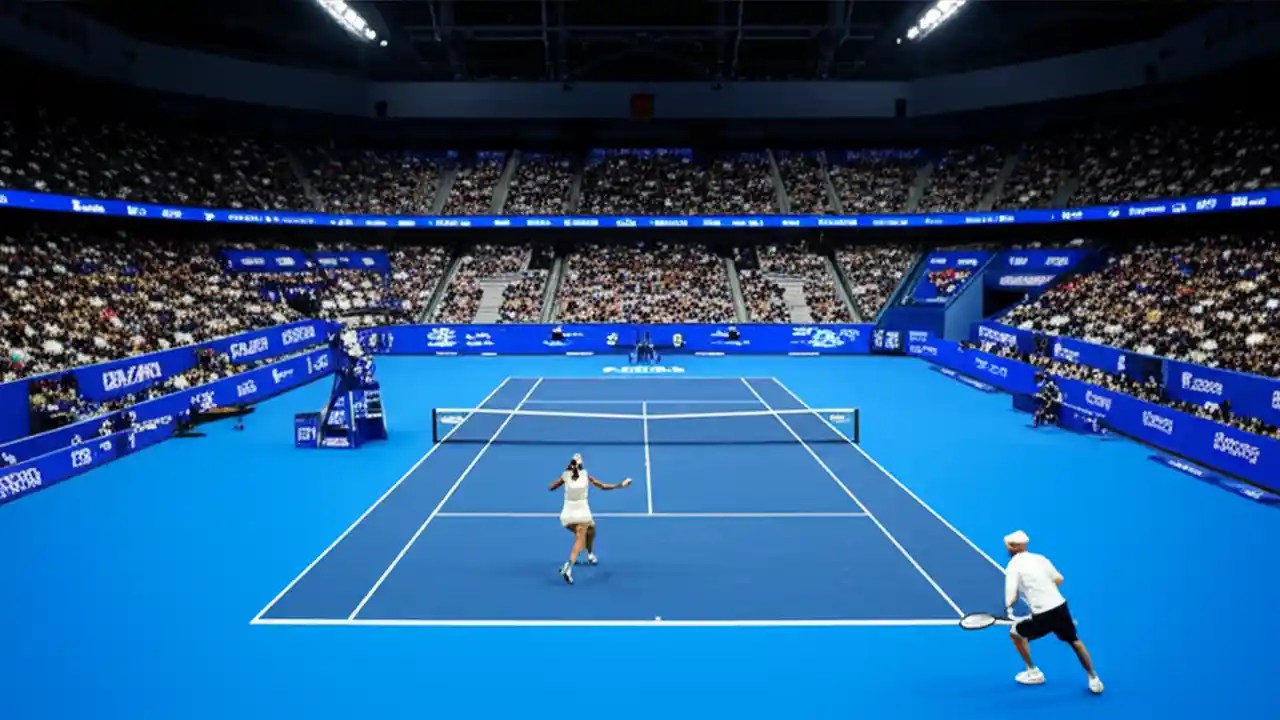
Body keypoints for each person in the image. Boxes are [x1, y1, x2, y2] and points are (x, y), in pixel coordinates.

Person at [1003, 530, 1104, 694]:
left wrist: (1007, 607)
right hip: (1061, 607)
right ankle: (1094, 679)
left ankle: (1033, 672)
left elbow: (1010, 598)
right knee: (1075, 641)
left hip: (1042, 616)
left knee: (1015, 633)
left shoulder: (1013, 566)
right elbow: (1059, 579)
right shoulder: (1040, 558)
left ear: (1012, 548)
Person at [548, 453, 631, 585]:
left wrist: (565, 476)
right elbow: (603, 486)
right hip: (583, 514)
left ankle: (588, 553)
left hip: (567, 515)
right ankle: (569, 566)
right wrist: (620, 485)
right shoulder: (586, 475)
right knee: (580, 537)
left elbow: (551, 487)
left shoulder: (565, 476)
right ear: (581, 465)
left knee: (590, 529)